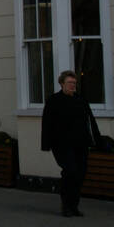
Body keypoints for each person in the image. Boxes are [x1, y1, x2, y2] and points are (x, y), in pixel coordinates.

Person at [41, 70, 102, 217]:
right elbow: (47, 123)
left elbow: (90, 121)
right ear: (62, 84)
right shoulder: (54, 100)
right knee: (70, 171)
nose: (72, 85)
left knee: (80, 174)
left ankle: (74, 205)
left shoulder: (81, 100)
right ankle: (66, 205)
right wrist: (46, 144)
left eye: (74, 83)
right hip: (61, 144)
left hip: (80, 143)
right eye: (69, 83)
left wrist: (96, 140)